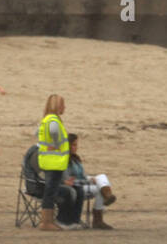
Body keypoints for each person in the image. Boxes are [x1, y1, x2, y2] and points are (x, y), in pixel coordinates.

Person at [58, 132, 117, 229]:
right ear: (67, 146)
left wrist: (89, 179)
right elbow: (70, 180)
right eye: (73, 145)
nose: (76, 147)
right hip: (75, 187)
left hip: (82, 183)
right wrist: (87, 181)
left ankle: (107, 195)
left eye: (76, 145)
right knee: (99, 189)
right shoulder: (64, 160)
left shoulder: (75, 159)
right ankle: (98, 219)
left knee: (101, 177)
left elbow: (82, 176)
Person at [36, 93, 70, 232]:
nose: (65, 107)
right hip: (53, 161)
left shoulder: (47, 119)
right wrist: (55, 144)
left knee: (50, 191)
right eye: (63, 105)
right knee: (50, 191)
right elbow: (54, 133)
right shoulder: (54, 120)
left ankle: (48, 220)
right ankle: (46, 222)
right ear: (57, 106)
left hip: (48, 160)